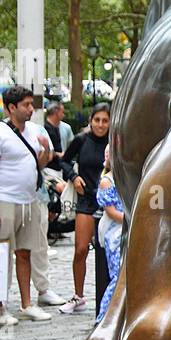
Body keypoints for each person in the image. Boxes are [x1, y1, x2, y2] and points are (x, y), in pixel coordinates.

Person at [0, 86, 53, 323]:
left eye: (31, 104)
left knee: (25, 252)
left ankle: (27, 304)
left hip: (29, 199)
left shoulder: (34, 130)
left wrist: (44, 152)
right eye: (25, 105)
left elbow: (39, 164)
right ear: (12, 107)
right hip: (5, 199)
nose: (31, 109)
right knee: (1, 254)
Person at [58, 103, 111, 314]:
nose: (100, 124)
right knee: (81, 249)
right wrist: (74, 176)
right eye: (97, 120)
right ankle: (78, 296)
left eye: (105, 120)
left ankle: (111, 296)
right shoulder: (81, 140)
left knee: (108, 250)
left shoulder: (115, 141)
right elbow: (64, 162)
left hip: (108, 200)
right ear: (91, 120)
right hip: (86, 199)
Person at [95, 148, 124, 320]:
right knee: (117, 276)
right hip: (115, 232)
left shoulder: (128, 179)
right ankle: (104, 316)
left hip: (126, 228)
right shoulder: (107, 181)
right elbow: (111, 212)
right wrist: (131, 218)